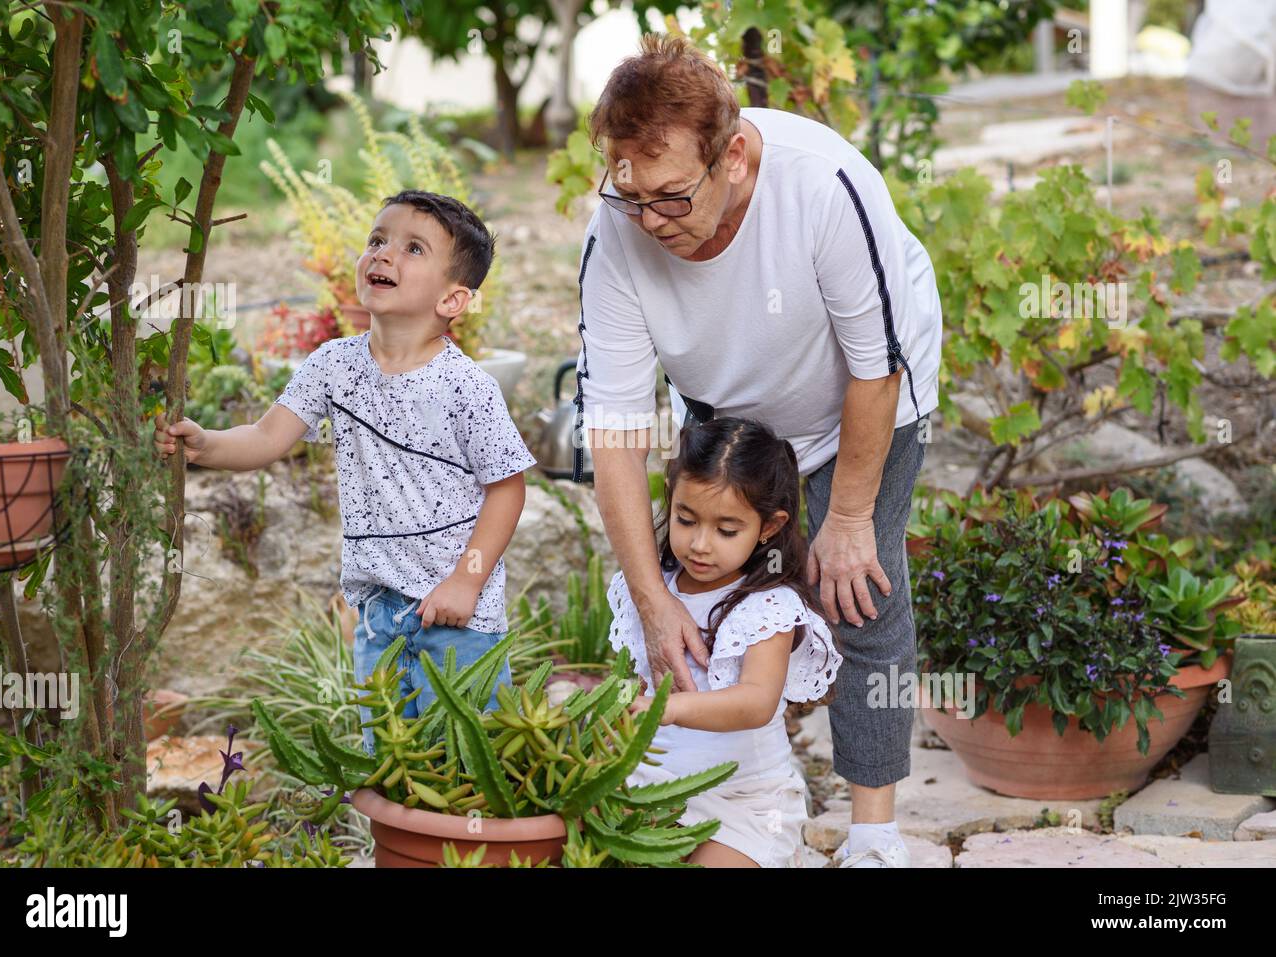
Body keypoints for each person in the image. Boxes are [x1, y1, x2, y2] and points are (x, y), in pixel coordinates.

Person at [575, 33, 942, 866]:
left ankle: (875, 832)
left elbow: (874, 368)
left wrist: (845, 517)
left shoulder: (824, 186)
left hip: (867, 389)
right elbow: (618, 436)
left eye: (670, 196)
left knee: (861, 589)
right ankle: (730, 786)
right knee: (695, 586)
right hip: (729, 401)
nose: (649, 220)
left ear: (733, 155)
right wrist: (649, 598)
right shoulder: (620, 232)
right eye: (630, 194)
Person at [154, 190, 536, 755]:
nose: (383, 255)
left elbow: (507, 489)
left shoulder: (466, 388)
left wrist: (467, 581)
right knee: (388, 762)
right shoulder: (334, 366)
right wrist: (204, 444)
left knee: (463, 766)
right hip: (379, 616)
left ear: (454, 299)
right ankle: (391, 845)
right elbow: (265, 437)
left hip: (459, 622)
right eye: (377, 240)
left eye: (412, 248)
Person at [612, 418, 842, 868]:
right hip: (648, 783)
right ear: (670, 499)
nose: (700, 544)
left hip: (743, 797)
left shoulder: (768, 606)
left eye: (726, 530)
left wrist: (670, 708)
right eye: (685, 519)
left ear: (769, 527)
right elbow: (630, 675)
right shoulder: (648, 589)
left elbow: (755, 702)